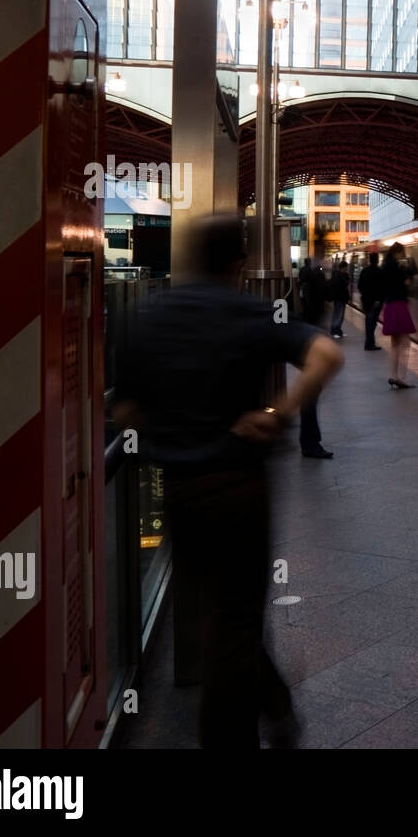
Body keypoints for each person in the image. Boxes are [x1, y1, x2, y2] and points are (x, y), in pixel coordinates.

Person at [112, 216, 344, 748]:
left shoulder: (145, 315)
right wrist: (278, 413)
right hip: (239, 487)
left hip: (180, 490)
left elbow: (126, 411)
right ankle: (240, 731)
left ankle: (276, 704)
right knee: (236, 620)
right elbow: (327, 354)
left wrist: (168, 425)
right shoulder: (251, 311)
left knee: (218, 611)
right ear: (238, 263)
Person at [296, 257, 334, 457]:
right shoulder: (318, 278)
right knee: (311, 389)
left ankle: (310, 441)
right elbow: (329, 294)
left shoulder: (304, 281)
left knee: (311, 389)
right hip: (313, 339)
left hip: (306, 335)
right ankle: (310, 443)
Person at [380, 242, 418, 388]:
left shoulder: (385, 266)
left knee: (395, 344)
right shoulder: (398, 267)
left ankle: (393, 375)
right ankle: (402, 377)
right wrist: (409, 261)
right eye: (402, 253)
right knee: (405, 343)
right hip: (399, 305)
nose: (403, 255)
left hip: (389, 305)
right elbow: (411, 276)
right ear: (398, 252)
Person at [356, 251, 384, 351]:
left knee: (368, 322)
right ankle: (369, 344)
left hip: (367, 301)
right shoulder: (379, 272)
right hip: (376, 302)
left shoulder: (364, 271)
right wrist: (379, 299)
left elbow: (359, 286)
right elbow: (382, 288)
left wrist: (365, 295)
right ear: (377, 260)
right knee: (372, 323)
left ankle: (370, 343)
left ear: (369, 260)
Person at [328, 260, 350, 338]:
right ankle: (333, 331)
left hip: (342, 298)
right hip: (338, 298)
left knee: (341, 316)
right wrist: (346, 280)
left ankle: (339, 331)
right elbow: (340, 285)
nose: (347, 269)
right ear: (343, 268)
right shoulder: (337, 275)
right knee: (337, 315)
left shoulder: (343, 275)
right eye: (346, 267)